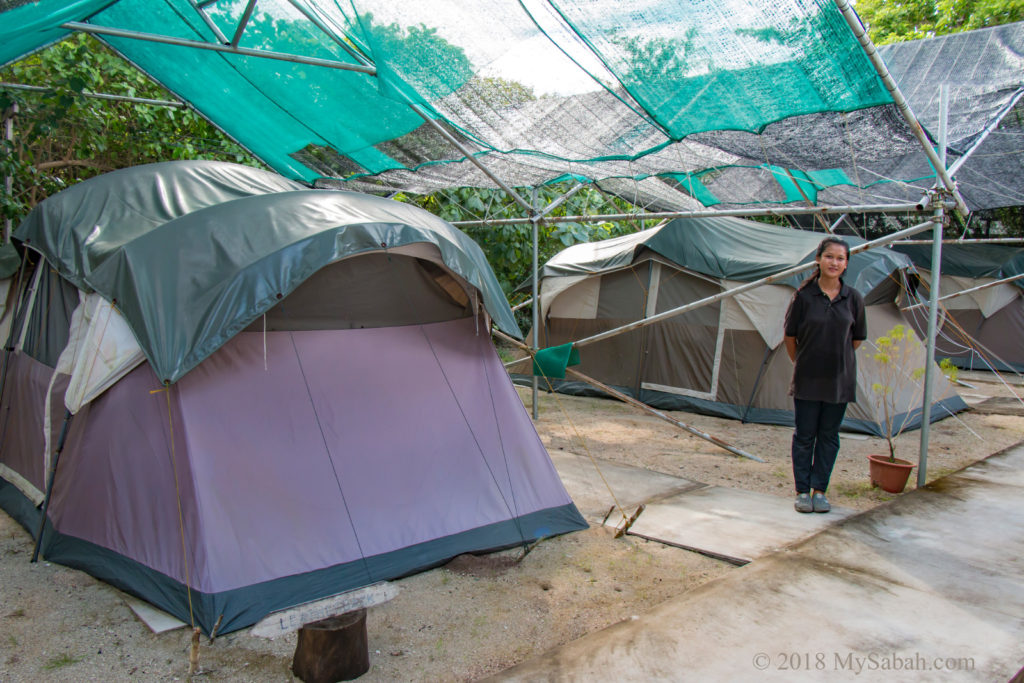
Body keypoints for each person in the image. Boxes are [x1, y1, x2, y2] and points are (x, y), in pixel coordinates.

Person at [783, 237, 866, 513]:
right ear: (818, 259)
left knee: (829, 436)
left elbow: (856, 339)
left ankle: (820, 490)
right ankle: (802, 491)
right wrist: (804, 362)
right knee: (805, 435)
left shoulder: (853, 298)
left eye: (840, 259)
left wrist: (836, 359)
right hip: (807, 378)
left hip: (839, 380)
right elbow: (790, 336)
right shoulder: (803, 296)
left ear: (846, 264)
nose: (834, 263)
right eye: (829, 257)